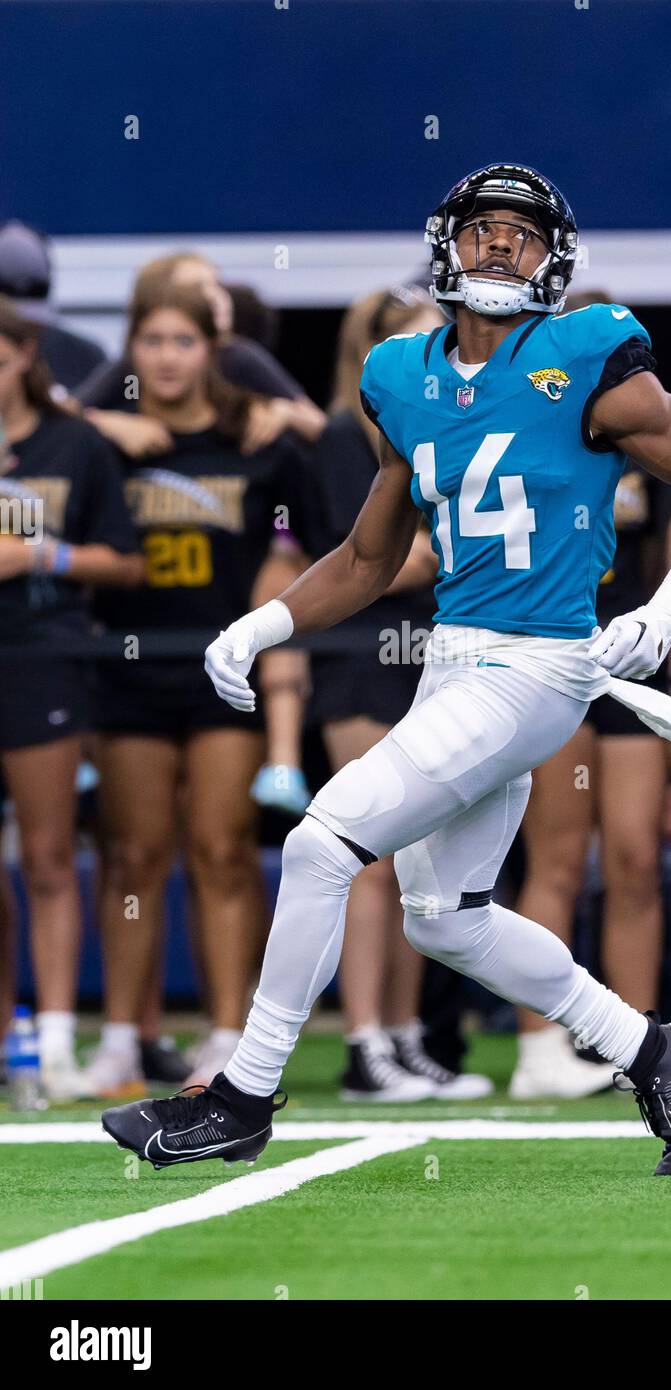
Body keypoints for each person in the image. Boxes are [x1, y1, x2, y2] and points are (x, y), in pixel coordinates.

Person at [103, 162, 671, 1178]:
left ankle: (241, 1093)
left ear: (554, 260)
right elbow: (370, 556)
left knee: (323, 842)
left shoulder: (586, 354)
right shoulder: (398, 375)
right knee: (442, 919)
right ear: (445, 244)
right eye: (483, 228)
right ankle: (649, 1046)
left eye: (523, 233)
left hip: (536, 668)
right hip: (450, 666)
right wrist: (264, 620)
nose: (501, 245)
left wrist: (666, 607)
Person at [84, 281, 311, 1096]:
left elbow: (321, 519)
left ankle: (226, 1039)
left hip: (224, 673)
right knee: (135, 856)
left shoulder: (257, 440)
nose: (168, 358)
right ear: (131, 355)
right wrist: (104, 422)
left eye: (184, 342)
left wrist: (282, 557)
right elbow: (38, 427)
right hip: (127, 670)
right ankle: (118, 1040)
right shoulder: (107, 445)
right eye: (153, 343)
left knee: (222, 851)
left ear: (211, 350)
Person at [307, 284, 490, 1101]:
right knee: (366, 852)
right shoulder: (346, 439)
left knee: (417, 860)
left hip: (430, 654)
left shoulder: (447, 424)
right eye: (417, 340)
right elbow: (377, 560)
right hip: (357, 660)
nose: (437, 351)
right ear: (377, 352)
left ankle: (408, 1036)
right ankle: (364, 1042)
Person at [0, 297, 143, 1098]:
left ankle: (55, 1041)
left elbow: (126, 563)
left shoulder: (75, 441)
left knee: (51, 856)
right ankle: (6, 1038)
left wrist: (42, 556)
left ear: (26, 357)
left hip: (44, 660)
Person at [77, 252, 326, 448]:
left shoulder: (237, 356)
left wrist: (284, 413)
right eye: (197, 289)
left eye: (217, 285)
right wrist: (106, 423)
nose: (216, 297)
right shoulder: (135, 365)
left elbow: (321, 428)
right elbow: (65, 418)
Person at [0, 221, 106, 393]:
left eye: (33, 321)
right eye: (10, 321)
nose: (23, 329)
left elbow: (131, 393)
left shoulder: (89, 357)